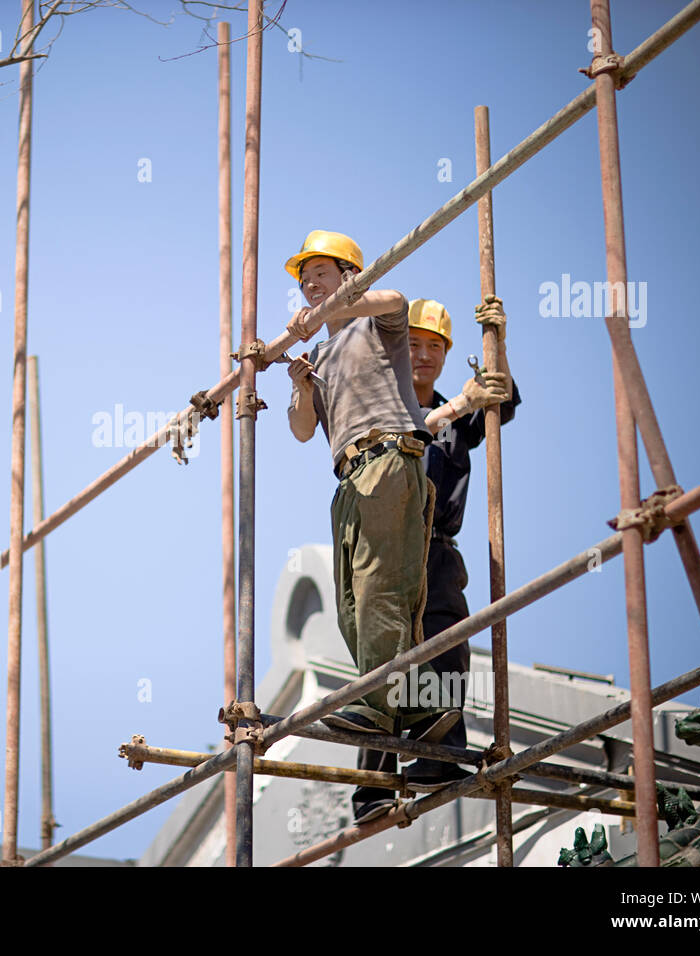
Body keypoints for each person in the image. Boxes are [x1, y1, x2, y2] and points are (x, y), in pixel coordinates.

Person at [283, 230, 458, 824]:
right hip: (349, 476)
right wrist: (302, 386)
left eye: (322, 273)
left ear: (350, 277)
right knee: (355, 609)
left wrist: (336, 309)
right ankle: (413, 702)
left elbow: (396, 301)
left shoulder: (372, 327)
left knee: (384, 589)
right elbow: (303, 430)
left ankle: (392, 702)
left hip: (388, 458)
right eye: (305, 277)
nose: (310, 284)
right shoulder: (323, 357)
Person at [400, 295, 520, 792]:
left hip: (437, 546)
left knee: (446, 644)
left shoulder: (458, 416)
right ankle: (374, 781)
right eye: (412, 344)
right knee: (387, 659)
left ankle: (441, 755)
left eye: (435, 345)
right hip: (387, 547)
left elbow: (501, 401)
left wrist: (499, 344)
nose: (424, 355)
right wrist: (459, 405)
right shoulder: (380, 403)